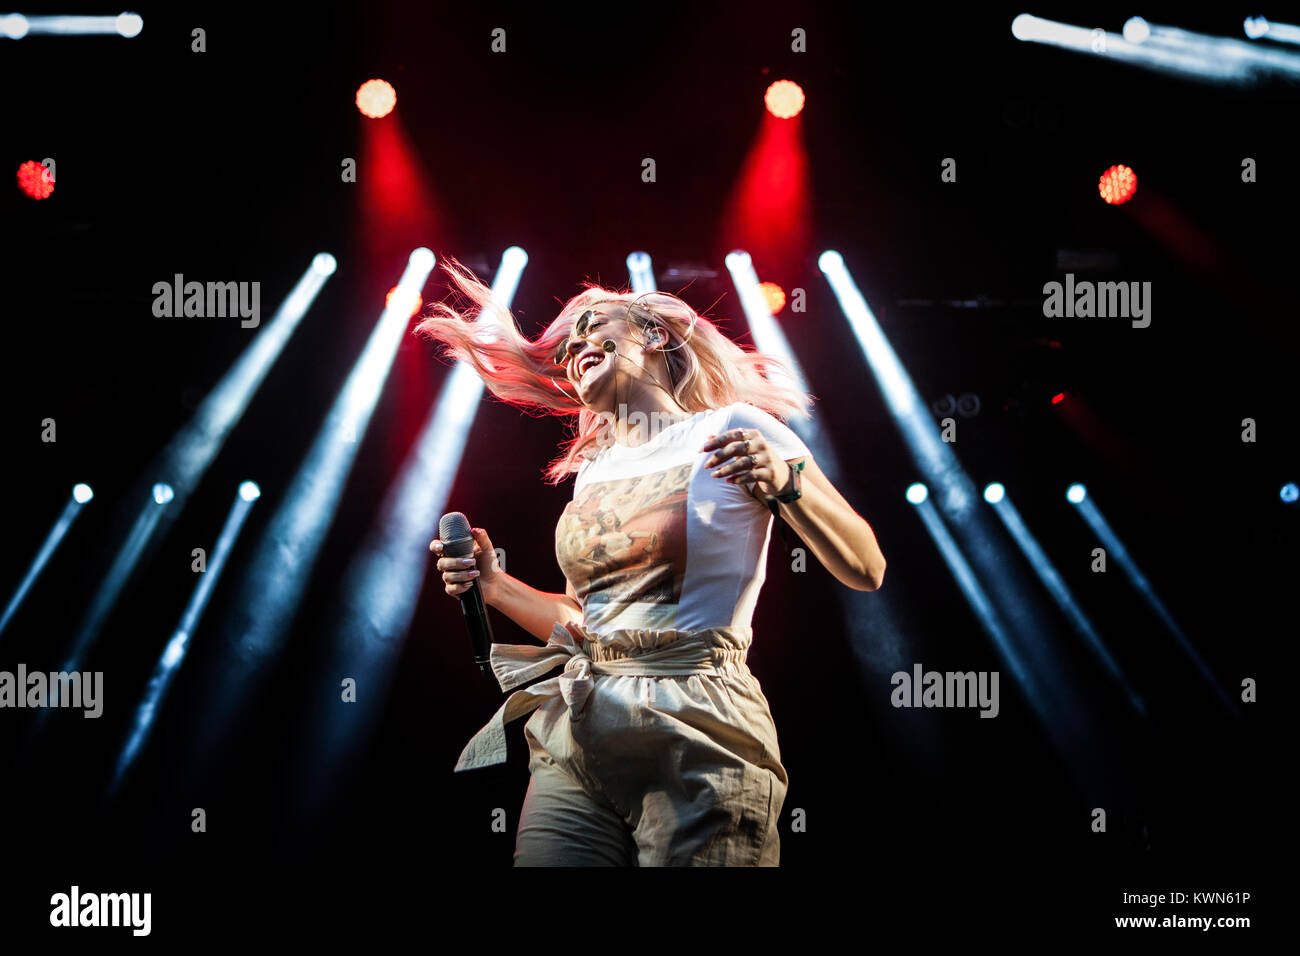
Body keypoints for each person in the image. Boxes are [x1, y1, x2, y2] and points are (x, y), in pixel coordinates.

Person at [421, 257, 886, 866]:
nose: (577, 345)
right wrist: (495, 585)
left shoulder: (733, 428)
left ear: (655, 335)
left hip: (697, 723)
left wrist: (784, 482)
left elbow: (866, 566)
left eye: (594, 323)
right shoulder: (592, 472)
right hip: (583, 719)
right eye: (567, 346)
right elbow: (586, 620)